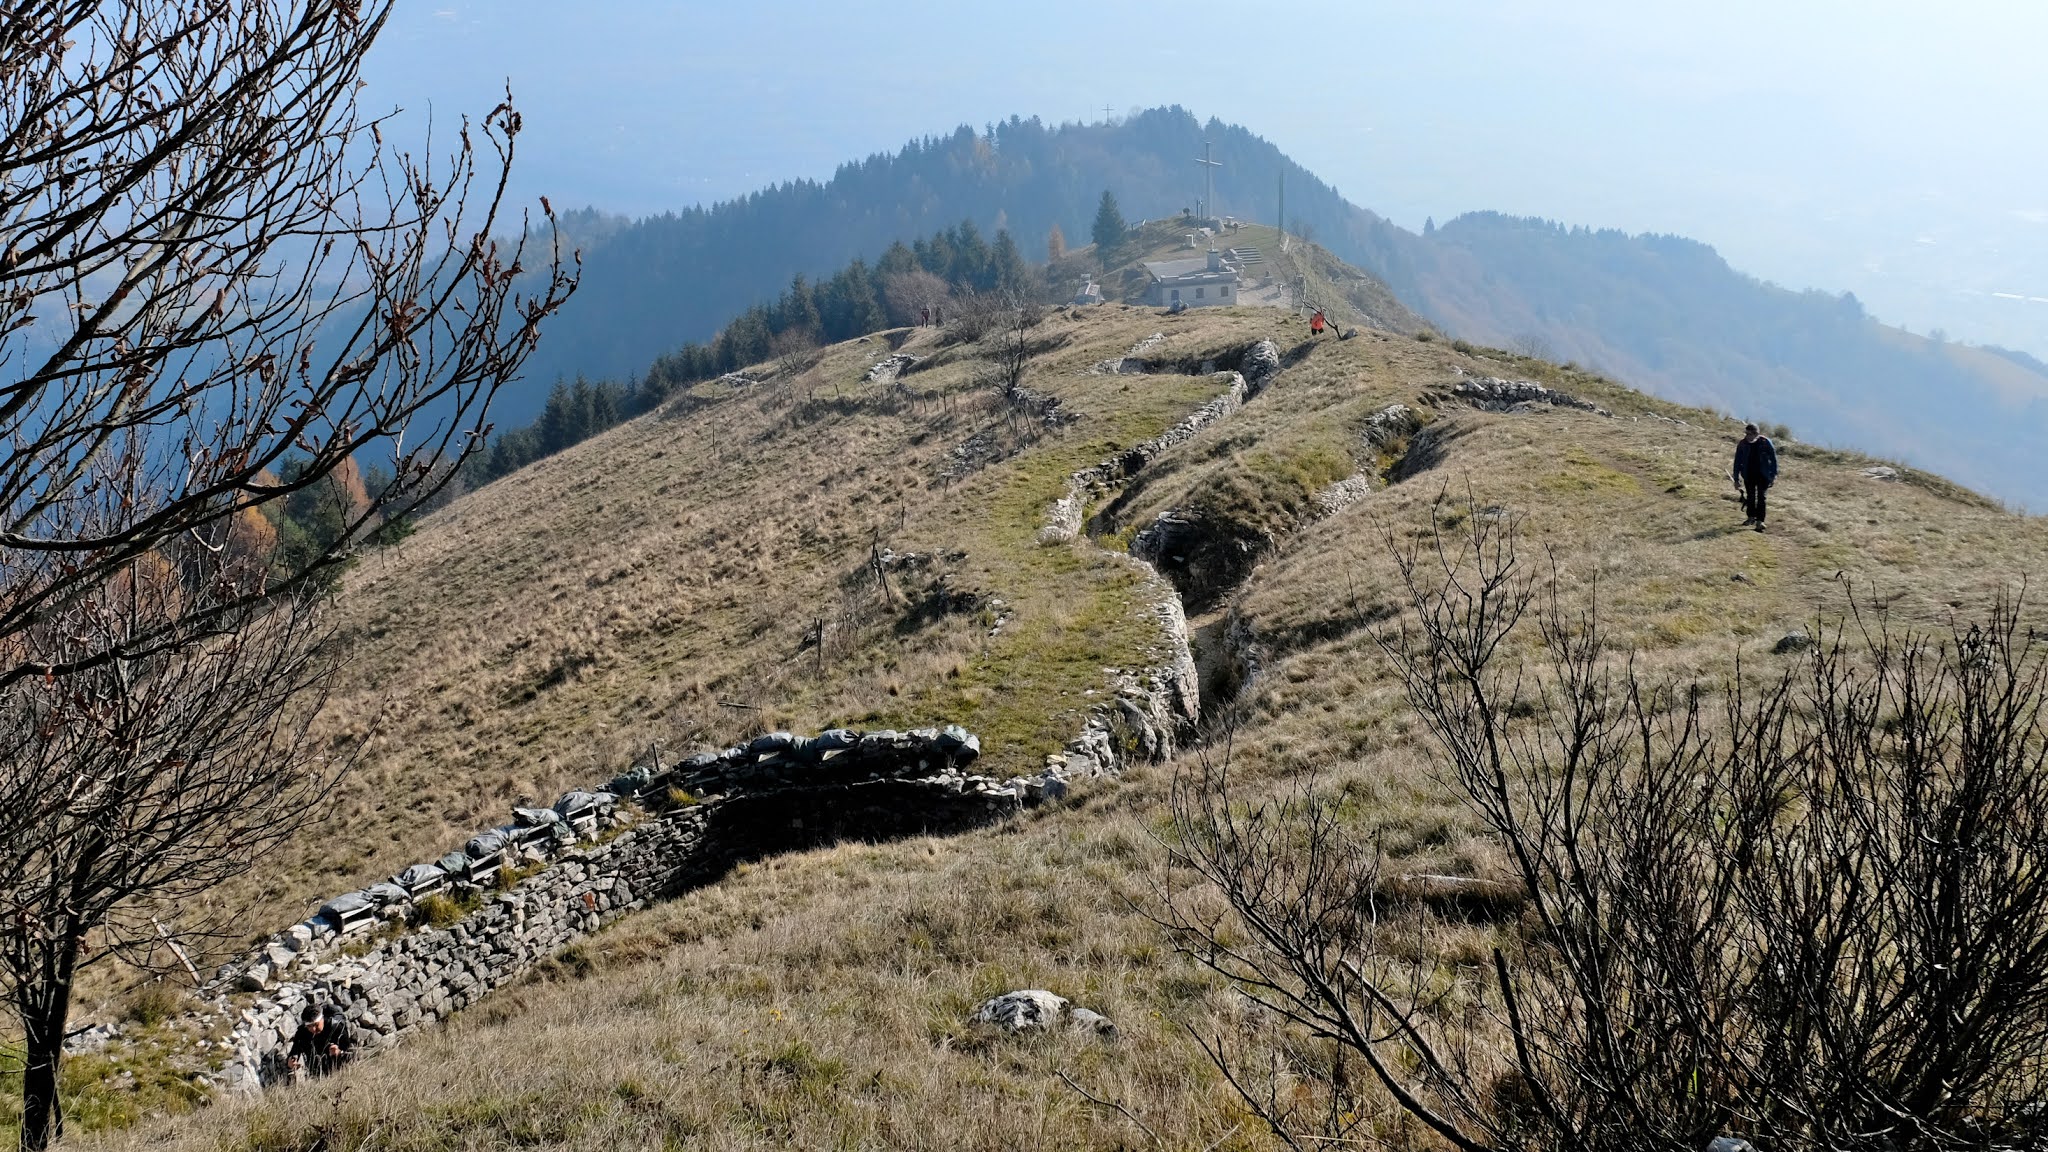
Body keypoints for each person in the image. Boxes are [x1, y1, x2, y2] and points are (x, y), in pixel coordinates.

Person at [286, 1003, 355, 1080]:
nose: (313, 1029)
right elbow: (295, 1050)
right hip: (316, 1074)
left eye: (316, 1024)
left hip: (340, 1074)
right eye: (309, 1026)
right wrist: (291, 1060)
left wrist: (339, 1052)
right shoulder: (302, 1032)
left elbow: (351, 1054)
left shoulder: (336, 1028)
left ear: (322, 1018)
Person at [1731, 422, 1779, 531]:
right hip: (1749, 475)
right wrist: (1736, 479)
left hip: (1763, 475)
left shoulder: (1766, 442)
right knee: (1751, 497)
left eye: (1750, 434)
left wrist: (1773, 475)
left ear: (1756, 434)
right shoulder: (1742, 444)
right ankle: (1751, 517)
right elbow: (1737, 462)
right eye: (1746, 433)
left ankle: (1760, 521)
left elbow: (1774, 459)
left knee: (1762, 498)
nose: (1748, 436)